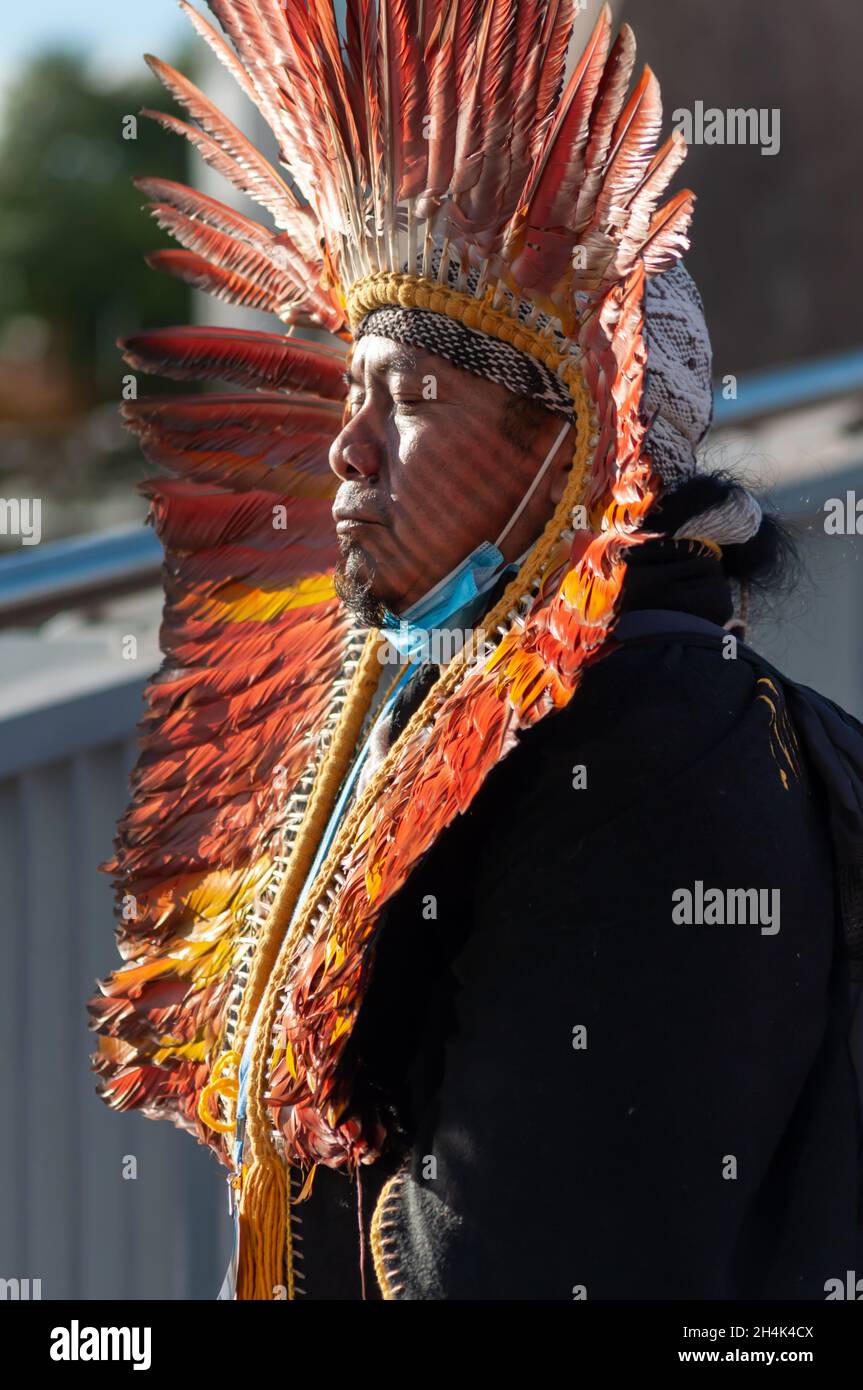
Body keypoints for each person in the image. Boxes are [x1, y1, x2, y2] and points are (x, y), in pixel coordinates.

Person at [88, 0, 863, 1300]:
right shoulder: (520, 717)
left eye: (407, 399)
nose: (350, 446)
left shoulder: (641, 757)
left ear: (570, 461)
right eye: (350, 394)